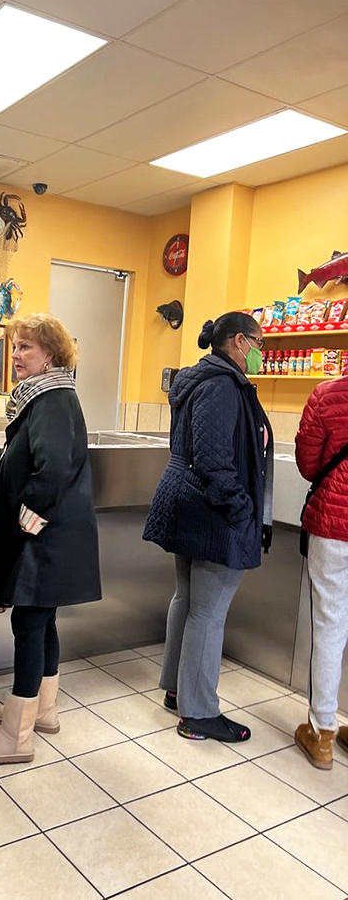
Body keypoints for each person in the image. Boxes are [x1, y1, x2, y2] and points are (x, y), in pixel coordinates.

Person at [0, 312, 102, 765]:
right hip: (56, 533)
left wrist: (28, 517)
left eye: (27, 347)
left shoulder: (51, 399)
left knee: (29, 622)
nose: (16, 355)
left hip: (46, 535)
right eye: (15, 346)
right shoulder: (47, 395)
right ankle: (43, 709)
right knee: (44, 620)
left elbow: (53, 467)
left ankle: (16, 735)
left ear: (52, 355)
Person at [143, 312, 273, 743]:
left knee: (189, 599)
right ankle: (198, 714)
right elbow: (216, 461)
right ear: (238, 342)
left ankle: (179, 691)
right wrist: (242, 511)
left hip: (188, 503)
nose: (261, 352)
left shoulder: (200, 380)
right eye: (258, 342)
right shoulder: (221, 386)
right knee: (208, 611)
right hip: (211, 511)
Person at [294, 378, 348, 769]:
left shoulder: (327, 395)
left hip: (333, 527)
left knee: (329, 625)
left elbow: (308, 464)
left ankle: (322, 732)